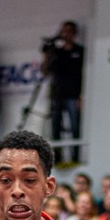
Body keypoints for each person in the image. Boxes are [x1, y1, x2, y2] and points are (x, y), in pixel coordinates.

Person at [42, 21, 86, 165]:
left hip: (73, 94)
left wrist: (81, 96)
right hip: (57, 94)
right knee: (55, 127)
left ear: (74, 33)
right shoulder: (57, 52)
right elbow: (45, 71)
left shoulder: (80, 51)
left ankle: (75, 157)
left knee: (74, 127)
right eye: (63, 31)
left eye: (68, 31)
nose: (65, 34)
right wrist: (47, 55)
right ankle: (57, 158)